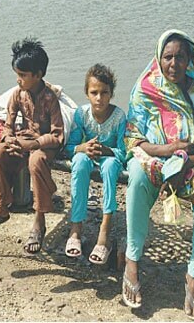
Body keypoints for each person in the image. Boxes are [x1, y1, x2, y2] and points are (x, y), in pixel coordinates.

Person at [122, 30, 194, 321]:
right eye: (167, 56)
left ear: (190, 60)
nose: (173, 63)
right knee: (135, 174)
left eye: (180, 57)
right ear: (158, 58)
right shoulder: (145, 89)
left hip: (189, 165)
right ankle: (131, 262)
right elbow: (134, 139)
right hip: (153, 159)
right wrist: (168, 150)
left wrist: (182, 162)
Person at [0, 38, 64, 257]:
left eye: (23, 75)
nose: (18, 80)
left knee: (36, 161)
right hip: (24, 140)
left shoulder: (50, 98)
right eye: (17, 75)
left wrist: (34, 144)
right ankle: (2, 207)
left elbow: (57, 136)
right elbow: (8, 126)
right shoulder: (18, 94)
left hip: (44, 145)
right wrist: (9, 140)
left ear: (38, 74)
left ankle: (39, 219)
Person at [64, 64, 126, 264]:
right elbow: (70, 146)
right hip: (88, 153)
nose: (99, 98)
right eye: (94, 92)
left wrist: (105, 151)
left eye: (104, 93)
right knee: (80, 162)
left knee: (108, 168)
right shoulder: (81, 114)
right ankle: (76, 229)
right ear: (86, 93)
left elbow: (124, 152)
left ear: (111, 93)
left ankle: (104, 232)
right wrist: (83, 148)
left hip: (109, 157)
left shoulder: (119, 117)